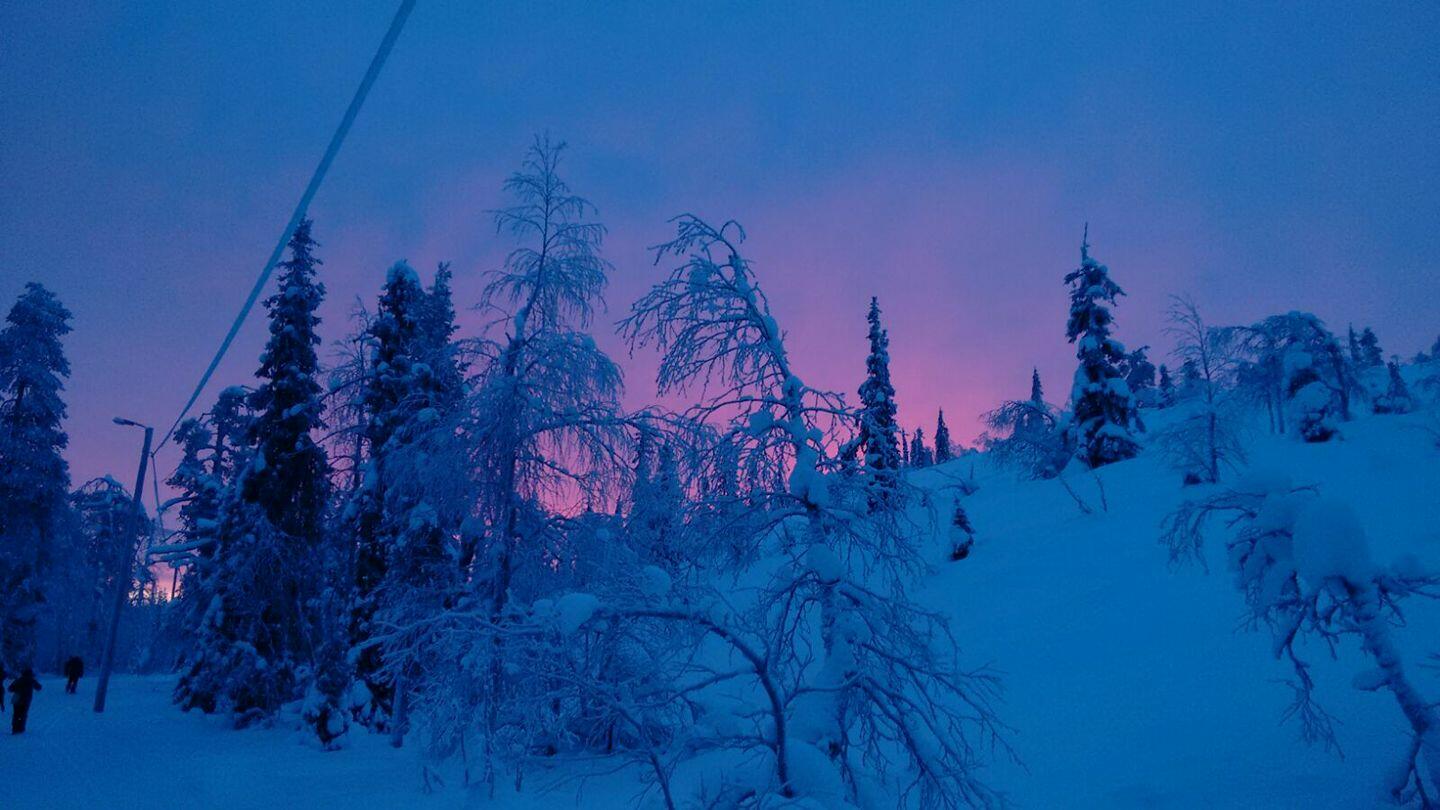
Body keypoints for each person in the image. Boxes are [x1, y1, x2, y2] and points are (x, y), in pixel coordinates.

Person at [9, 667, 42, 734]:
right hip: (26, 700)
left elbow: (10, 689)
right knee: (23, 714)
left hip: (17, 699)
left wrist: (17, 689)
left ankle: (14, 728)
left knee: (16, 714)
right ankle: (21, 728)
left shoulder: (18, 680)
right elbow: (39, 687)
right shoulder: (31, 680)